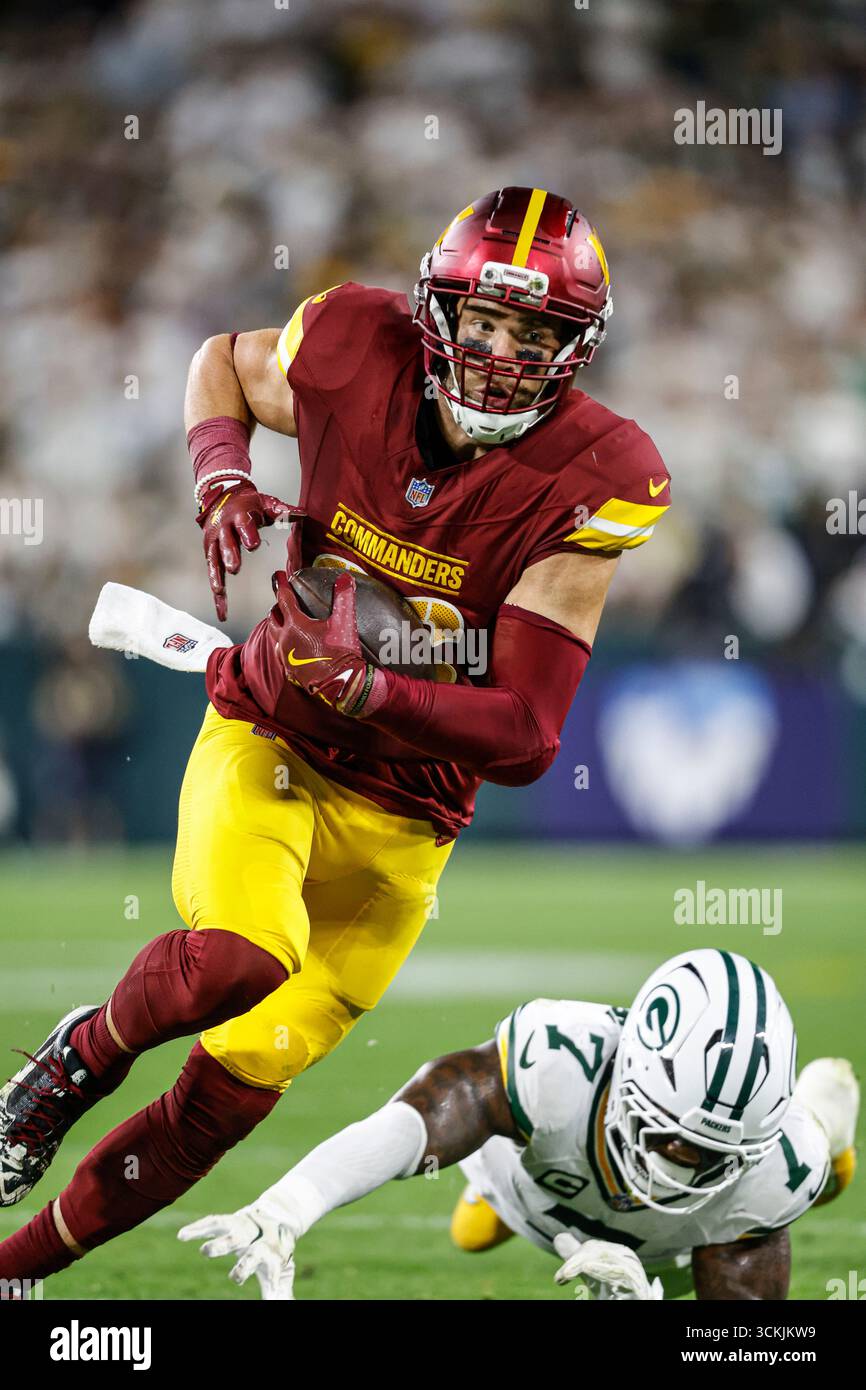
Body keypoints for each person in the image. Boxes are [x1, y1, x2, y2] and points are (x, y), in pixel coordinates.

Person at [0, 188, 671, 1288]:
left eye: (533, 332)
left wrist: (376, 693)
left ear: (573, 350)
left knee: (236, 1080)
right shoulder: (356, 341)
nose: (500, 354)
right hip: (273, 733)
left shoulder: (593, 475)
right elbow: (217, 361)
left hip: (406, 823)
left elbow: (527, 733)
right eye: (483, 320)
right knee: (236, 957)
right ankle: (75, 1062)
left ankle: (14, 1272)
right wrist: (221, 471)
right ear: (433, 309)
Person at [179, 950, 859, 1302]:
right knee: (473, 1214)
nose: (677, 1169)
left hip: (672, 1256)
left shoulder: (773, 1168)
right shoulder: (558, 1060)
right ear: (627, 1078)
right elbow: (411, 1124)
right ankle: (496, 1202)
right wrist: (291, 1204)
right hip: (526, 1178)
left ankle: (830, 1121)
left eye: (708, 1158)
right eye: (667, 1139)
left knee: (819, 1158)